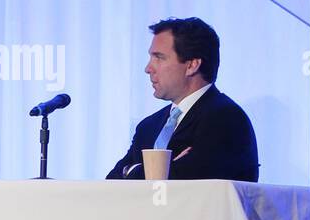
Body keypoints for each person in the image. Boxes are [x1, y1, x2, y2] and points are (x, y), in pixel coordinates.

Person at [106, 17, 259, 181]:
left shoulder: (225, 118)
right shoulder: (149, 126)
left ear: (192, 65)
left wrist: (132, 171)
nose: (148, 68)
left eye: (159, 57)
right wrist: (157, 168)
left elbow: (186, 182)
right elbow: (113, 181)